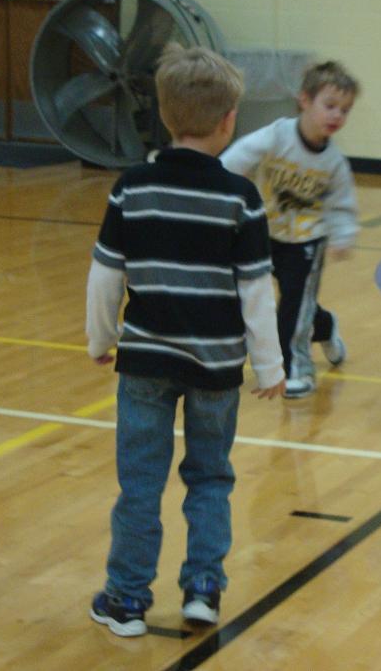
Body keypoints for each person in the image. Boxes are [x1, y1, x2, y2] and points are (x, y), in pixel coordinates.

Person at [85, 44, 285, 638]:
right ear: (229, 122)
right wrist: (270, 368)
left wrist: (102, 338)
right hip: (217, 366)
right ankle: (202, 590)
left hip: (144, 359)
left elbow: (105, 275)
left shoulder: (132, 188)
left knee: (140, 482)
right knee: (210, 477)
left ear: (166, 117)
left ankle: (125, 600)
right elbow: (256, 295)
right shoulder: (240, 199)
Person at [220, 61, 360, 399]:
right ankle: (325, 326)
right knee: (265, 298)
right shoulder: (277, 135)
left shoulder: (334, 162)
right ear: (304, 100)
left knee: (294, 305)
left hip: (307, 240)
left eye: (344, 110)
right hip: (265, 232)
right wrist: (216, 180)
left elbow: (341, 204)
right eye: (330, 106)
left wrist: (342, 236)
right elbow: (238, 157)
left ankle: (296, 367)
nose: (336, 116)